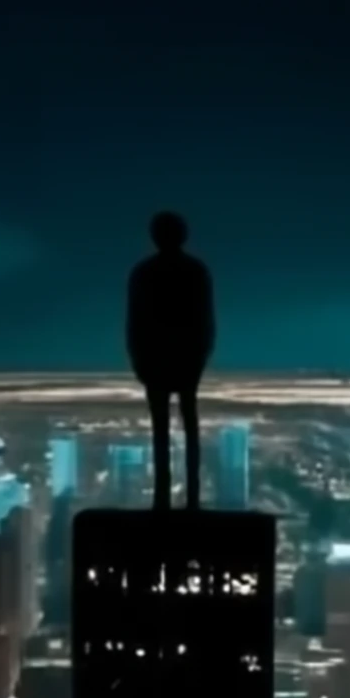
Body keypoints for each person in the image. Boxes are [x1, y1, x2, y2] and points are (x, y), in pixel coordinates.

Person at [127, 211, 216, 510]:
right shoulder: (196, 270)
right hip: (186, 359)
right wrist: (200, 356)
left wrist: (139, 361)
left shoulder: (143, 272)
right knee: (190, 427)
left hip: (156, 360)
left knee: (160, 431)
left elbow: (135, 324)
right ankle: (192, 497)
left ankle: (162, 498)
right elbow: (206, 322)